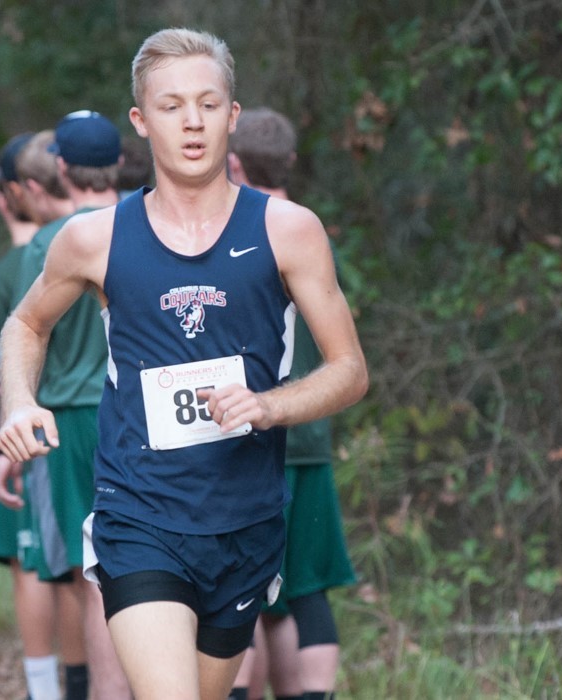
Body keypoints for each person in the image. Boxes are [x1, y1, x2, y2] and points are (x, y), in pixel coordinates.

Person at [0, 28, 368, 700]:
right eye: (170, 106)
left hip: (246, 525)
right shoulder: (95, 238)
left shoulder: (289, 231)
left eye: (206, 103)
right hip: (137, 517)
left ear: (232, 114)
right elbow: (25, 323)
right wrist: (20, 400)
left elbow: (350, 371)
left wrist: (271, 404)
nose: (191, 122)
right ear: (141, 122)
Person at [0, 111, 132, 699]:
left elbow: (26, 338)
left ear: (60, 168)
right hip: (134, 414)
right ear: (122, 162)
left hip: (69, 419)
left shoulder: (48, 244)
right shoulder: (146, 226)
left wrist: (15, 422)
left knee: (90, 576)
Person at [225, 108, 357, 700]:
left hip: (245, 436)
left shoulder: (236, 234)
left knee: (237, 590)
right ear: (291, 162)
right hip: (310, 437)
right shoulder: (312, 230)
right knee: (305, 591)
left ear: (232, 162)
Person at [0, 133, 89, 700]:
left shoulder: (5, 275)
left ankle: (50, 688)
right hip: (104, 424)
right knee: (85, 566)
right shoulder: (102, 239)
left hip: (38, 431)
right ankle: (87, 681)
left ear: (14, 193)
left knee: (36, 561)